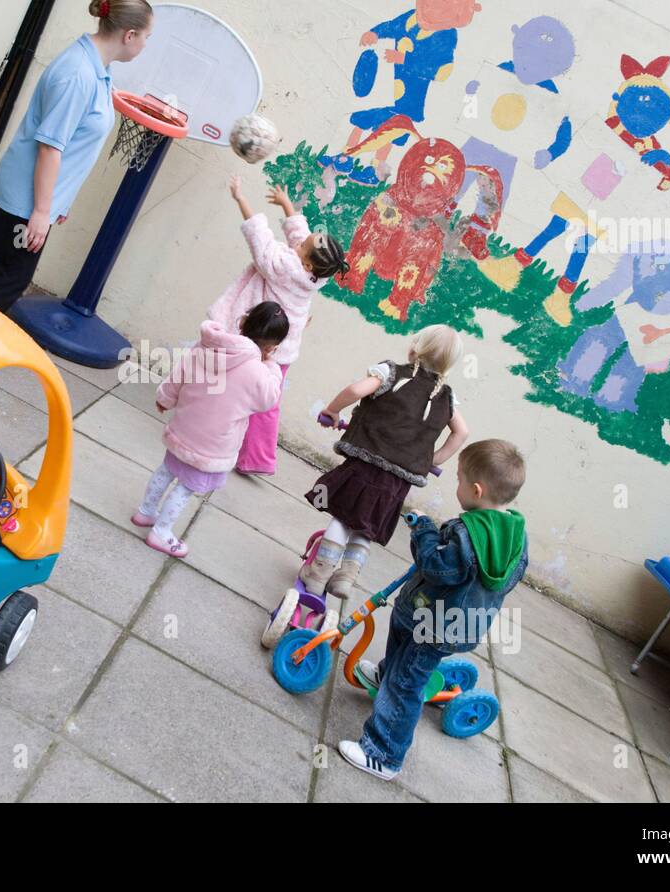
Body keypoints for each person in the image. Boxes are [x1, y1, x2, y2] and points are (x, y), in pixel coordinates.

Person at [0, 0, 153, 362]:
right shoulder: (79, 75)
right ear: (129, 35)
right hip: (26, 202)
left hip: (31, 196)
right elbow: (50, 147)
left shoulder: (95, 69)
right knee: (4, 282)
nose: (145, 45)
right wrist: (41, 211)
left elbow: (72, 145)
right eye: (146, 37)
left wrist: (60, 200)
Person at [339, 439, 528, 782]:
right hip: (451, 620)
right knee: (401, 640)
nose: (455, 485)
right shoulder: (516, 534)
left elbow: (435, 566)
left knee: (407, 685)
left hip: (434, 624)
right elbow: (507, 580)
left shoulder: (466, 534)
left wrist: (424, 529)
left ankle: (382, 754)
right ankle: (386, 674)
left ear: (476, 489)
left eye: (458, 480)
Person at [302, 325, 468, 599]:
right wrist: (429, 460)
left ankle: (318, 575)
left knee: (343, 516)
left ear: (413, 349)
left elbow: (357, 389)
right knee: (365, 525)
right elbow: (462, 433)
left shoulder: (391, 373)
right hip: (397, 483)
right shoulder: (447, 397)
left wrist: (332, 411)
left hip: (363, 467)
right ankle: (347, 577)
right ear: (448, 366)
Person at [209, 176, 347, 475]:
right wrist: (287, 205)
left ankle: (206, 431)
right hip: (282, 348)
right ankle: (257, 459)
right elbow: (303, 237)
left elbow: (261, 243)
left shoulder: (284, 267)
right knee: (267, 403)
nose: (297, 245)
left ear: (307, 263)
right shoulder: (317, 274)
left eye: (302, 248)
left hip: (255, 341)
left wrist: (240, 198)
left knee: (224, 381)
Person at [133, 302, 288, 558]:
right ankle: (161, 532)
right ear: (271, 348)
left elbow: (179, 373)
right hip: (212, 443)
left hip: (184, 427)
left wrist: (165, 398)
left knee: (167, 470)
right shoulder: (259, 371)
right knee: (185, 487)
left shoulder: (209, 345)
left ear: (242, 322)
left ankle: (145, 512)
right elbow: (268, 399)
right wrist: (272, 366)